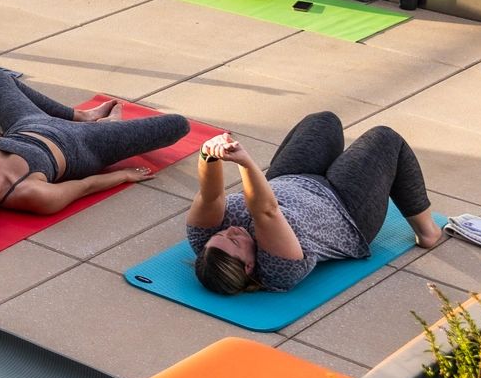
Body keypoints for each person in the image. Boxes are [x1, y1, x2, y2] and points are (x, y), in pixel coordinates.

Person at [186, 114, 443, 294]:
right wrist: (245, 163)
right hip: (345, 208)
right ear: (249, 266)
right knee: (385, 139)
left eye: (220, 234)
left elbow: (211, 197)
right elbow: (266, 211)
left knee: (323, 121)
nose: (229, 230)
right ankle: (427, 231)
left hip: (290, 180)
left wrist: (209, 154)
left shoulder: (205, 245)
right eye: (234, 241)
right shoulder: (278, 269)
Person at [0, 68, 190, 233]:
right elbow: (85, 186)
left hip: (26, 123)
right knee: (177, 125)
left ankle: (80, 114)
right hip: (83, 143)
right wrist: (124, 175)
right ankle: (107, 125)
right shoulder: (31, 194)